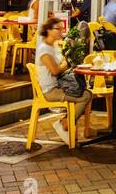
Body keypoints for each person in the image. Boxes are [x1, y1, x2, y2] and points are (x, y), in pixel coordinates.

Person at [33, 16, 92, 145]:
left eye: (62, 28)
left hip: (59, 85)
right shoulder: (44, 49)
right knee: (86, 96)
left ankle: (67, 124)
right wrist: (65, 64)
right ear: (48, 30)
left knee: (84, 91)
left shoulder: (53, 46)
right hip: (50, 90)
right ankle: (64, 123)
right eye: (57, 29)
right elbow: (55, 70)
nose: (61, 31)